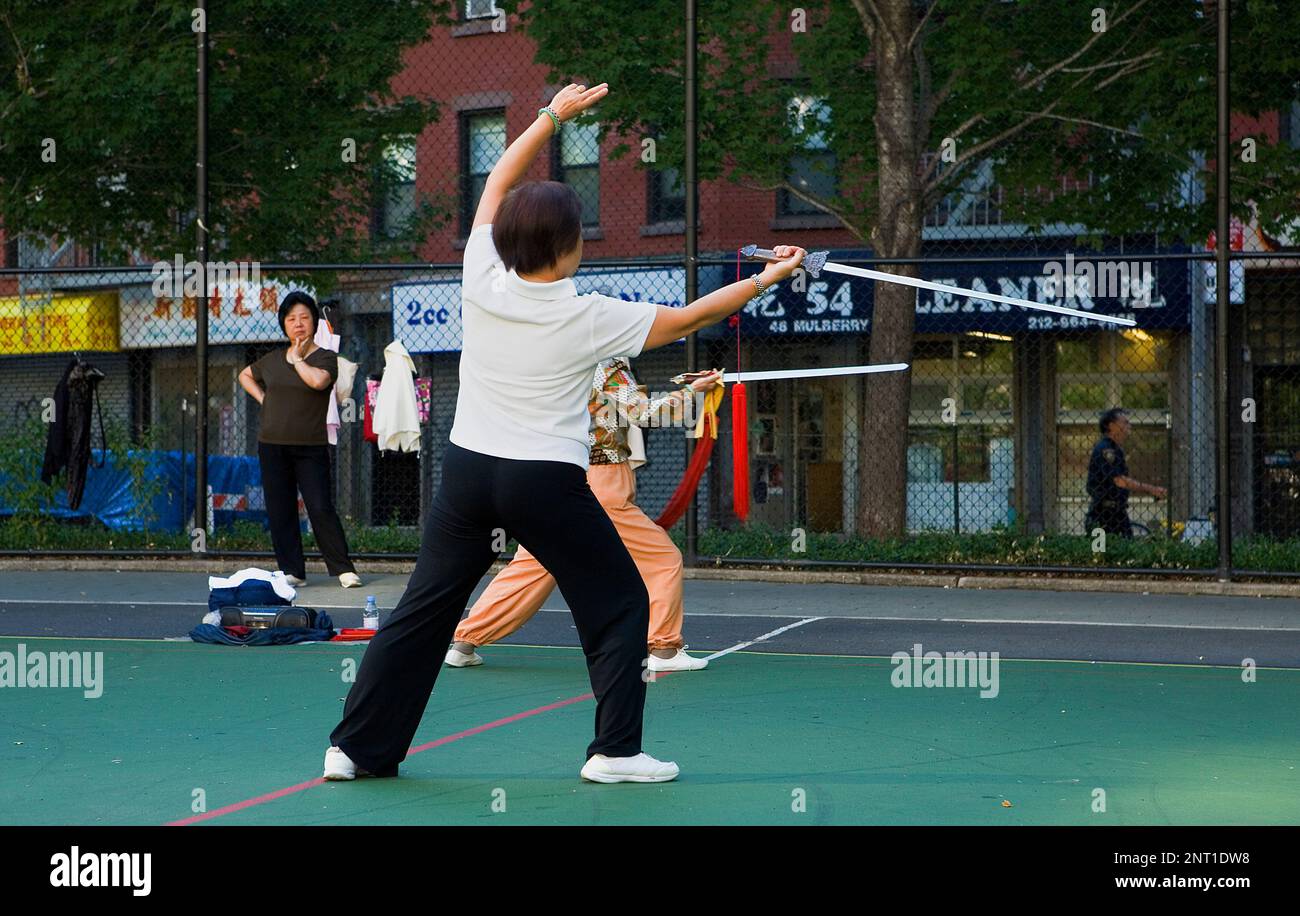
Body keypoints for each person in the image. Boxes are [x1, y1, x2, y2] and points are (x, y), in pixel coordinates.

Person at [323, 81, 805, 785]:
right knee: (618, 601)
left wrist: (550, 115)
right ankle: (614, 752)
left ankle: (355, 750)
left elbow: (497, 181)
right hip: (541, 481)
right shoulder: (590, 315)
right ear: (566, 247)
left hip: (465, 472)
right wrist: (770, 277)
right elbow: (692, 318)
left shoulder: (480, 271)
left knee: (423, 611)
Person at [445, 357, 721, 673]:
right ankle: (664, 649)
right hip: (601, 480)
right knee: (663, 559)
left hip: (549, 472)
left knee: (534, 565)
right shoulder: (608, 364)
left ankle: (464, 642)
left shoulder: (553, 362)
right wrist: (693, 391)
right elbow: (645, 413)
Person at [238, 291, 362, 589]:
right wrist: (264, 398)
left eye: (304, 318)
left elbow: (318, 382)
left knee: (320, 506)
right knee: (280, 508)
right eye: (291, 319)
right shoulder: (271, 360)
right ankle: (292, 570)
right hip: (272, 444)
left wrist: (297, 360)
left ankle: (343, 569)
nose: (298, 324)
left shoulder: (326, 357)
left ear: (314, 322)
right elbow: (244, 375)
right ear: (284, 324)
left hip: (311, 447)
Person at [1085, 407, 1167, 538]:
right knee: (1100, 554)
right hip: (1103, 515)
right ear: (1112, 426)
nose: (1129, 425)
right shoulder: (1106, 449)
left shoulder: (1116, 449)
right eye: (1125, 422)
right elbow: (1119, 480)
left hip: (1117, 514)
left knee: (1125, 552)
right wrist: (1151, 489)